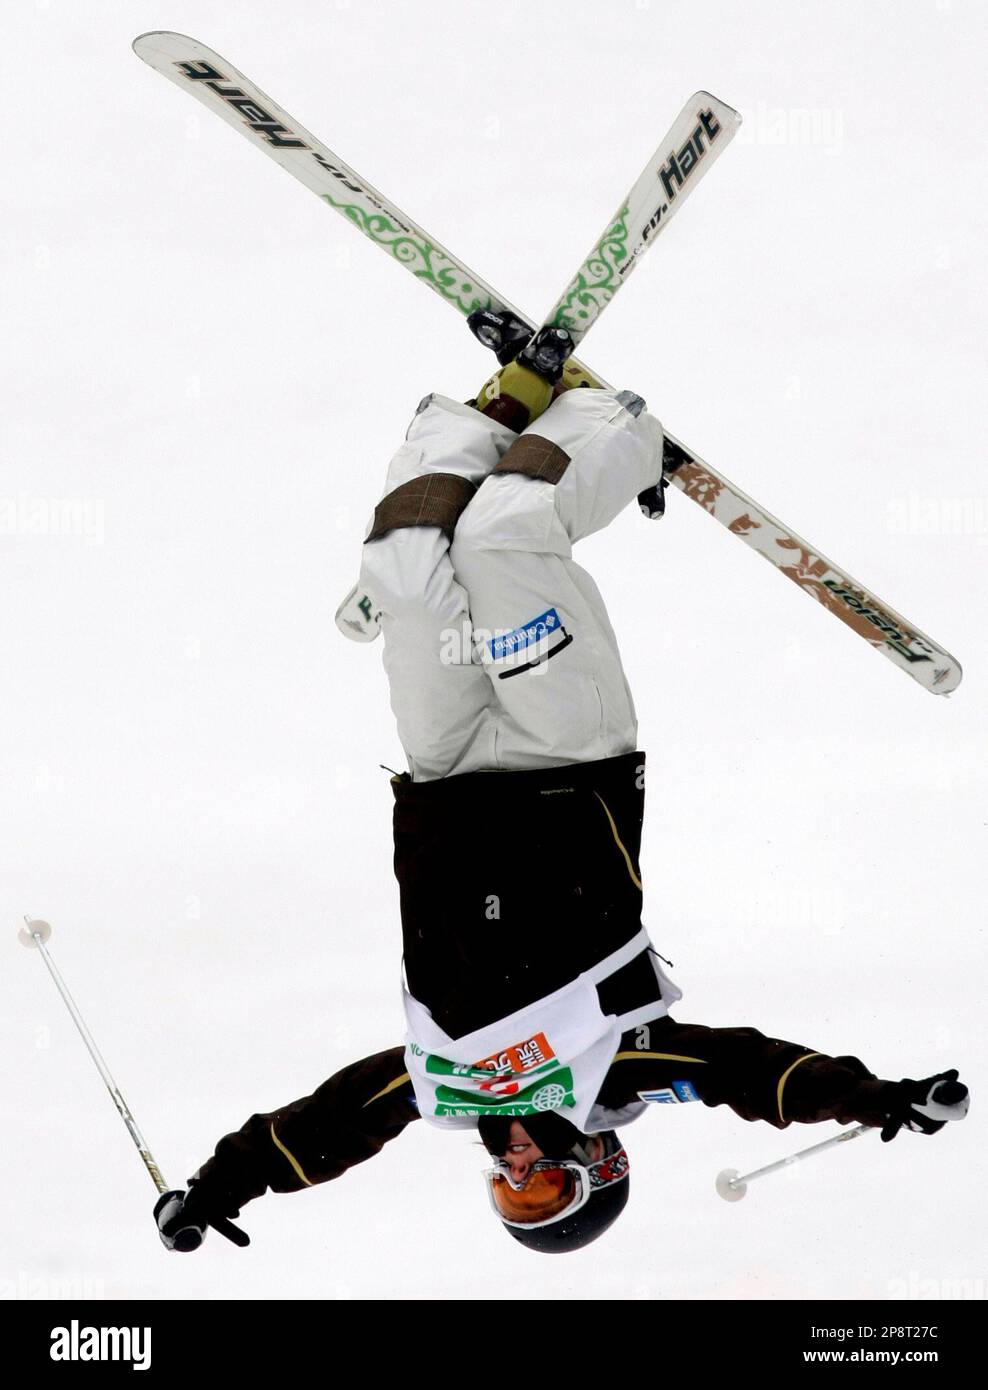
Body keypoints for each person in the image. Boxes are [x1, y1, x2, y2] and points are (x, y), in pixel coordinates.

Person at [155, 366, 969, 1256]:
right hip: (568, 758)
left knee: (405, 566)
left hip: (444, 773)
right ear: (599, 1159)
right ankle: (611, 428)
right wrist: (879, 1097)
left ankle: (478, 422)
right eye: (545, 1182)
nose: (513, 1168)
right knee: (503, 540)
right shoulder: (616, 1062)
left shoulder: (443, 1086)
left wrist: (216, 1188)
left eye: (511, 1192)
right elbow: (745, 1074)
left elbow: (331, 1125)